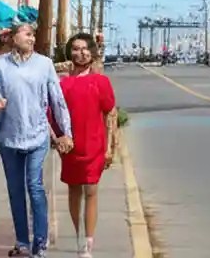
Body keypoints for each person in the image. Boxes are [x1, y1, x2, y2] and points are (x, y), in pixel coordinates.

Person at [0, 24, 74, 257]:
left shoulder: (44, 64)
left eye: (33, 34)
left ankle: (40, 243)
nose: (31, 38)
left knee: (35, 187)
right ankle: (22, 241)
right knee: (15, 190)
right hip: (8, 136)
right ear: (13, 37)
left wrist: (66, 132)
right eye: (27, 34)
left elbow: (57, 99)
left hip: (37, 135)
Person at [57, 33, 117, 258]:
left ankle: (89, 242)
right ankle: (79, 235)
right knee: (74, 189)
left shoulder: (101, 81)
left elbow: (110, 113)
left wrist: (110, 146)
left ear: (92, 52)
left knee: (91, 190)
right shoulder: (63, 83)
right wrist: (59, 139)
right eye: (75, 48)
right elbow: (54, 112)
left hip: (94, 144)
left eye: (84, 48)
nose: (80, 52)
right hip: (71, 144)